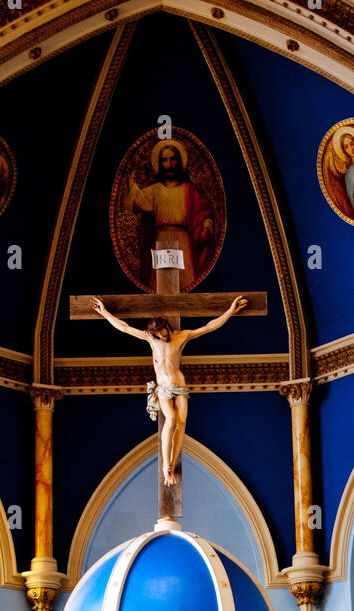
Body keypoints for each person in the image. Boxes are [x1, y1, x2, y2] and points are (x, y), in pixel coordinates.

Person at [90, 295, 247, 484]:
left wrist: (230, 311)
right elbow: (124, 327)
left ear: (167, 327)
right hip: (163, 387)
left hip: (179, 385)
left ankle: (171, 463)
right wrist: (104, 312)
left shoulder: (181, 337)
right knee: (170, 419)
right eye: (159, 335)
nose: (162, 337)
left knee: (181, 422)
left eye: (164, 333)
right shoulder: (151, 339)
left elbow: (209, 327)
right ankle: (166, 465)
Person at [125, 140, 216, 289]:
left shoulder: (190, 190)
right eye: (165, 160)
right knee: (161, 287)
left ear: (179, 161)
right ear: (160, 164)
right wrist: (131, 182)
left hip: (183, 243)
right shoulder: (155, 190)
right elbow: (136, 202)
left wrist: (206, 226)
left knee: (184, 286)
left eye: (173, 159)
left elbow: (203, 211)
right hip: (160, 241)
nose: (170, 164)